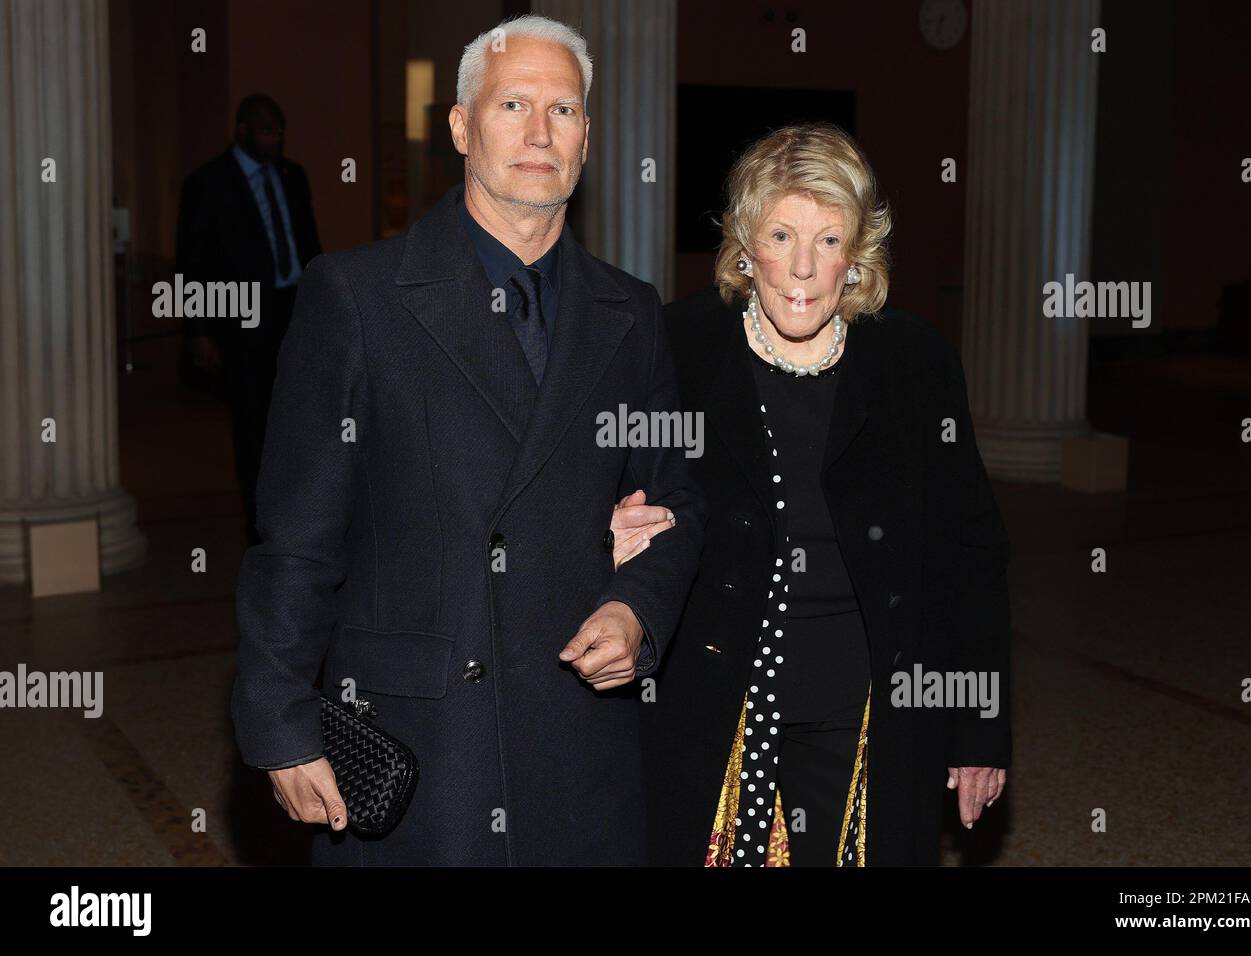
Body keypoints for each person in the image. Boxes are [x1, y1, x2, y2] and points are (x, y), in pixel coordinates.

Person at [229, 15, 705, 865]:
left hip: (579, 736)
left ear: (588, 139)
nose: (538, 132)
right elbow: (297, 538)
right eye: (511, 104)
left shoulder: (629, 311)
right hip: (426, 737)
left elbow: (675, 498)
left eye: (563, 111)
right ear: (459, 125)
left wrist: (639, 607)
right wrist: (277, 718)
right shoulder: (359, 298)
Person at [627, 123, 1011, 865]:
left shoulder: (914, 363)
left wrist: (978, 729)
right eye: (780, 235)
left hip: (869, 711)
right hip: (712, 705)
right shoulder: (677, 348)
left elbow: (974, 553)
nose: (801, 270)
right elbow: (605, 490)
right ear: (745, 242)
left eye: (828, 241)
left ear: (858, 253)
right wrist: (605, 527)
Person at [176, 94, 323, 544]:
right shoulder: (208, 183)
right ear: (241, 130)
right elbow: (191, 261)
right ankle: (262, 522)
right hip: (240, 318)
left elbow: (310, 246)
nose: (275, 139)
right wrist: (199, 331)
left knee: (300, 417)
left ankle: (301, 511)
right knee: (253, 422)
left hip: (294, 312)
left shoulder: (292, 176)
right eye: (265, 131)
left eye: (279, 131)